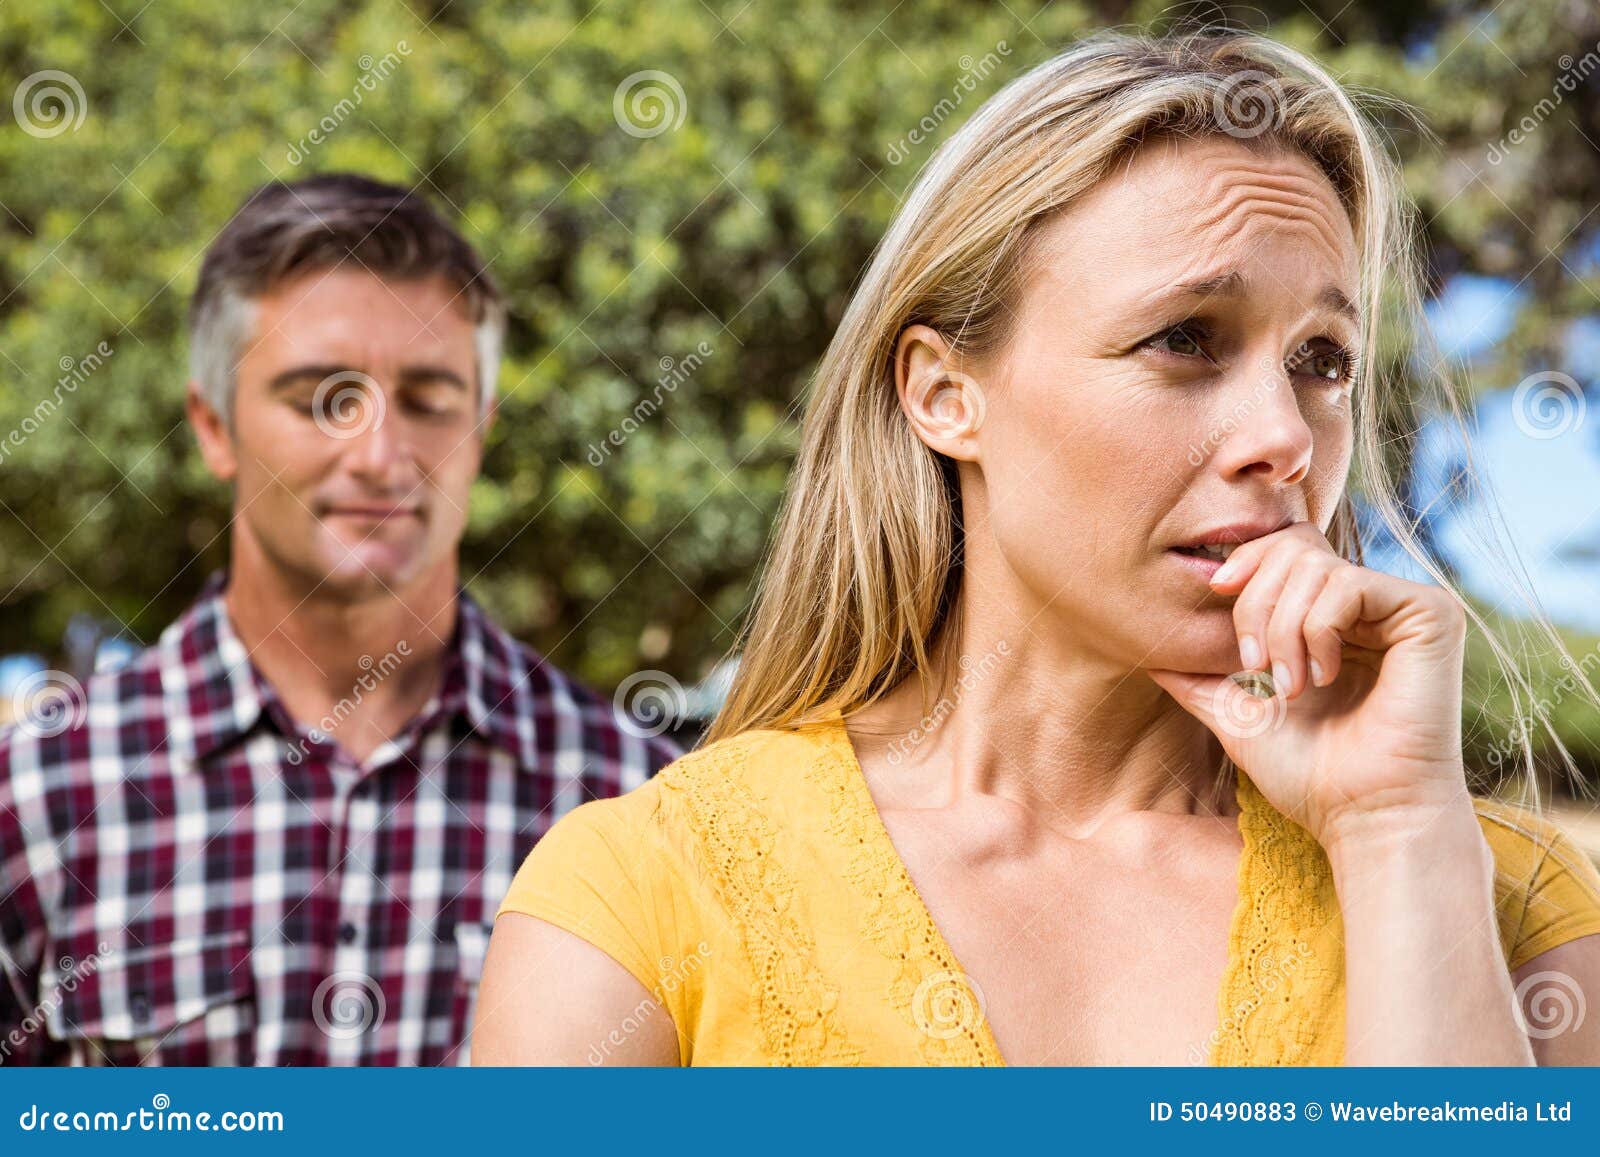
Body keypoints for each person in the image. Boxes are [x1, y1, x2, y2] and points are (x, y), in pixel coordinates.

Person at [474, 31, 1600, 1066]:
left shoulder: (1512, 906)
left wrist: (1397, 834)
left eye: (1323, 359)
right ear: (944, 394)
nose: (1283, 439)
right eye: (1184, 339)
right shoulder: (639, 898)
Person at [0, 174, 680, 1067]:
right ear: (213, 426)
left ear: (480, 429)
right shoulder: (40, 798)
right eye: (322, 397)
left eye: (431, 399)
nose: (381, 455)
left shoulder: (638, 805)